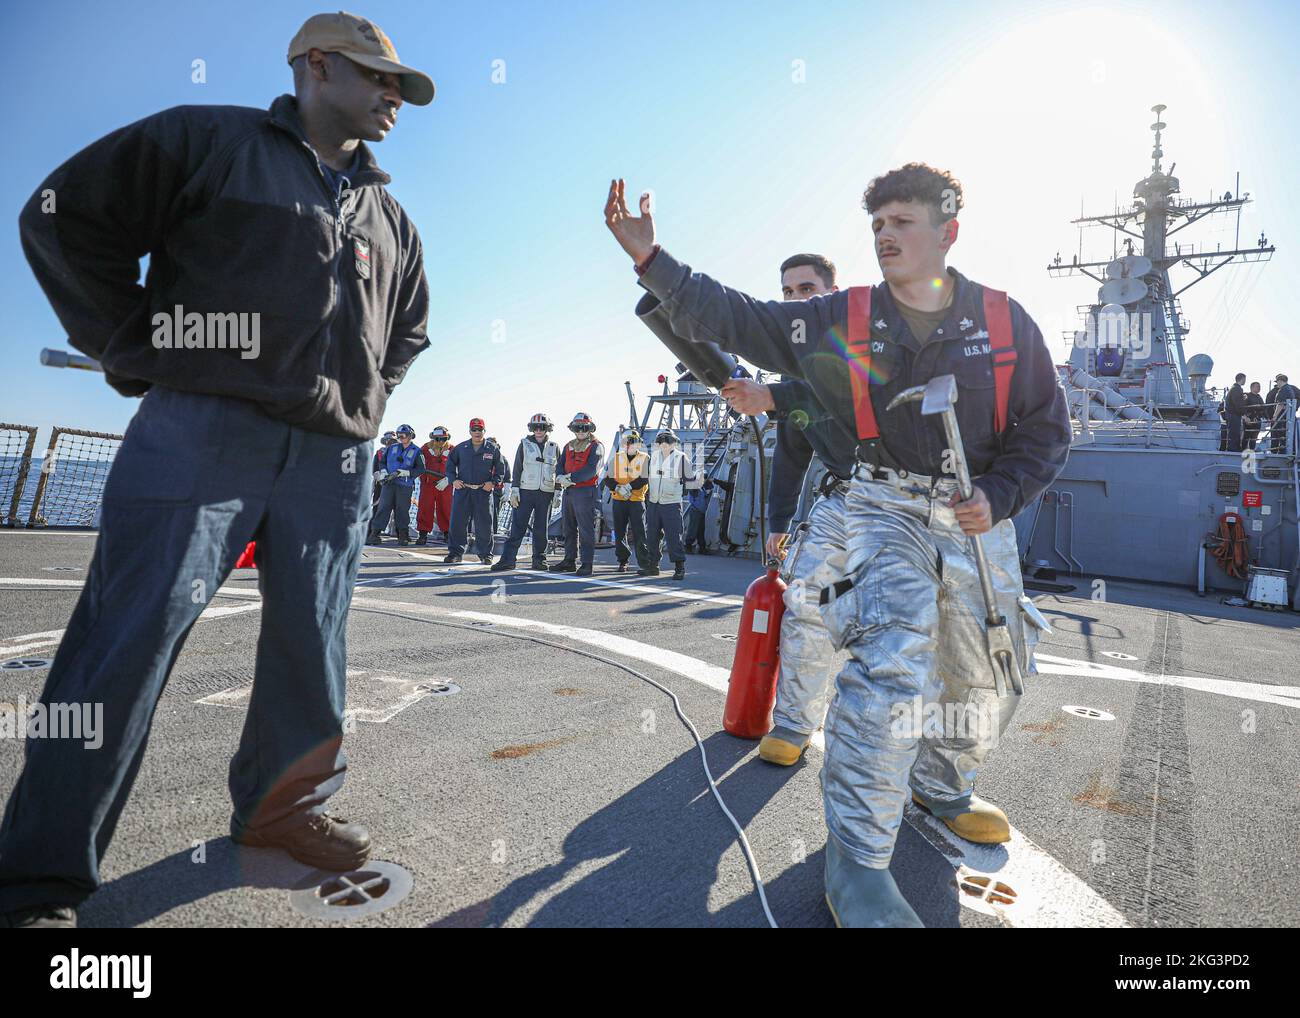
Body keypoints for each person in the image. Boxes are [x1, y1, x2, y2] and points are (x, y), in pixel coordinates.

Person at [1, 11, 434, 928]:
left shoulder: (391, 216)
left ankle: (286, 813)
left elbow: (411, 329)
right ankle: (38, 875)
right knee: (123, 640)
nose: (393, 97)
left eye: (398, 87)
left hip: (332, 459)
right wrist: (133, 345)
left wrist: (364, 404)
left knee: (312, 647)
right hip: (202, 430)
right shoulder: (209, 141)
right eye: (378, 79)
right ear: (317, 67)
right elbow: (64, 217)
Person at [607, 162, 1070, 926]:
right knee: (887, 664)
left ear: (947, 231)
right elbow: (743, 319)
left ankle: (943, 784)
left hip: (977, 512)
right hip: (881, 505)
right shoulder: (841, 316)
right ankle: (858, 859)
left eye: (902, 223)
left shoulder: (1003, 320)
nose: (885, 236)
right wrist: (653, 261)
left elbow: (1046, 429)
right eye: (877, 225)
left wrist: (1001, 492)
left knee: (996, 662)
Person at [719, 253, 860, 768]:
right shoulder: (790, 367)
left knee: (904, 623)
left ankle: (916, 761)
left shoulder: (864, 340)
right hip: (843, 496)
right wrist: (778, 522)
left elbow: (838, 389)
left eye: (807, 289)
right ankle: (796, 724)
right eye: (788, 293)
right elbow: (793, 451)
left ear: (832, 293)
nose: (797, 301)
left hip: (903, 503)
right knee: (805, 604)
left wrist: (771, 394)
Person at [492, 414, 560, 572]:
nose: (538, 430)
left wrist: (558, 491)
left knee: (541, 529)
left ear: (547, 428)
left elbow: (559, 470)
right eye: (534, 427)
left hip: (546, 493)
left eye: (542, 427)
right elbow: (517, 468)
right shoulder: (524, 444)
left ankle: (539, 560)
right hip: (525, 491)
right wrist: (514, 490)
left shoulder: (554, 447)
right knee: (517, 527)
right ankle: (508, 560)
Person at [444, 418, 506, 564]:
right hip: (463, 490)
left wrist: (493, 482)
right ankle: (455, 553)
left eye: (480, 429)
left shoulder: (492, 449)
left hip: (483, 492)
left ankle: (485, 554)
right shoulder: (460, 448)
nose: (477, 432)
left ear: (484, 431)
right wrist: (453, 480)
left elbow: (501, 469)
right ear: (470, 431)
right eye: (474, 430)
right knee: (457, 523)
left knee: (484, 524)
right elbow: (450, 466)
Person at [550, 413, 605, 576]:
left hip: (585, 492)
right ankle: (569, 560)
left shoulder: (596, 446)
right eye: (577, 427)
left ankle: (587, 563)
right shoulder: (568, 446)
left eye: (584, 427)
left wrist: (570, 479)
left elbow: (591, 470)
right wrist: (560, 478)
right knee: (568, 528)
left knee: (586, 529)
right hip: (569, 492)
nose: (580, 431)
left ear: (590, 429)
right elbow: (559, 465)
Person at [642, 429, 699, 580]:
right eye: (661, 441)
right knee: (652, 536)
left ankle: (679, 567)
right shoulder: (653, 457)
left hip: (671, 503)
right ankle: (653, 566)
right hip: (654, 502)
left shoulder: (681, 458)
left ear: (674, 442)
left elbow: (689, 480)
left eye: (668, 441)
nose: (665, 444)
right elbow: (646, 478)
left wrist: (681, 492)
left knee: (674, 536)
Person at [604, 429, 651, 573]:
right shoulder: (616, 458)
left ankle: (644, 562)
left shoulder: (645, 458)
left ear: (638, 444)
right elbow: (607, 479)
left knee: (640, 532)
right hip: (619, 499)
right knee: (619, 532)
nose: (630, 445)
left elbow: (644, 479)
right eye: (627, 442)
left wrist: (629, 486)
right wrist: (617, 487)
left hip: (636, 500)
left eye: (633, 442)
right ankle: (623, 561)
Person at [368, 423, 424, 545]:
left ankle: (403, 535)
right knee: (383, 508)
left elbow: (421, 469)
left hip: (405, 486)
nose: (401, 437)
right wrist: (383, 471)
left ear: (410, 436)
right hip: (389, 484)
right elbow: (382, 462)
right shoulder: (391, 448)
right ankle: (374, 534)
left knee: (402, 510)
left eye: (403, 435)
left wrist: (405, 473)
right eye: (399, 435)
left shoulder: (417, 451)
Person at [415, 426, 453, 544]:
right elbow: (418, 466)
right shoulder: (425, 449)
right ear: (433, 438)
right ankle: (423, 534)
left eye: (444, 439)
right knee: (425, 508)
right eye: (438, 439)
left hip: (445, 484)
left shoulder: (453, 449)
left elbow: (459, 467)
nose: (441, 441)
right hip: (428, 484)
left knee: (446, 508)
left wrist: (449, 479)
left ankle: (448, 533)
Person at [371, 430, 397, 523]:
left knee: (396, 508)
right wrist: (379, 477)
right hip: (380, 484)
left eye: (392, 441)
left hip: (395, 484)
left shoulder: (400, 453)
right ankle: (372, 530)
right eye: (387, 441)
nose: (389, 443)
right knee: (377, 506)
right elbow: (374, 468)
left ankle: (394, 530)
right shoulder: (379, 453)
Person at [683, 478, 714, 553]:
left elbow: (709, 490)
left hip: (701, 511)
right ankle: (688, 546)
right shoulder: (695, 489)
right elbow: (692, 489)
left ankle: (702, 547)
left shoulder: (702, 489)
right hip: (695, 510)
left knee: (700, 530)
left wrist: (707, 482)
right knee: (692, 529)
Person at [1224, 372, 1247, 453]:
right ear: (1242, 379)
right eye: (1245, 379)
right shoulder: (1237, 389)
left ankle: (1234, 447)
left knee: (1234, 432)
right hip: (1234, 414)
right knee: (1234, 432)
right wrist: (1243, 413)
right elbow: (1237, 403)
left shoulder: (1233, 388)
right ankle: (1233, 448)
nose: (1245, 381)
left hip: (1231, 414)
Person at [1244, 383, 1264, 451]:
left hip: (1257, 419)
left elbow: (1263, 407)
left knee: (1254, 437)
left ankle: (1252, 450)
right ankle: (1243, 449)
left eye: (1259, 386)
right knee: (1246, 436)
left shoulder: (1259, 397)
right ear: (1252, 387)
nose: (1259, 388)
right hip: (1249, 419)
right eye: (1257, 386)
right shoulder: (1247, 396)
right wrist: (1246, 417)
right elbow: (1243, 407)